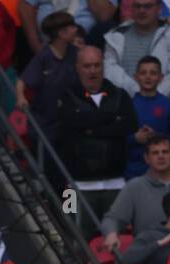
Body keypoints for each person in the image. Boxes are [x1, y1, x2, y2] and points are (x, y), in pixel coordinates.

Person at [58, 46, 139, 235]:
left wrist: (88, 128)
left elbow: (129, 126)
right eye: (87, 66)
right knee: (75, 237)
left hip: (117, 184)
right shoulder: (65, 96)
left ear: (103, 67)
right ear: (78, 68)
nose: (92, 71)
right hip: (75, 186)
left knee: (118, 239)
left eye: (96, 65)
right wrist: (110, 120)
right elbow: (70, 126)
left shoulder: (120, 95)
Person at [100, 134, 170, 246]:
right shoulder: (134, 187)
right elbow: (113, 219)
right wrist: (111, 234)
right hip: (149, 254)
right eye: (155, 153)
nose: (161, 156)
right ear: (147, 159)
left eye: (165, 152)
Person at [103, 1, 170, 98]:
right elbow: (110, 71)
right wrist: (139, 94)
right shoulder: (116, 36)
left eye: (147, 6)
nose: (142, 11)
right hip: (125, 104)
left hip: (165, 105)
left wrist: (154, 97)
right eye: (138, 6)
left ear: (159, 8)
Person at [16, 10, 80, 144]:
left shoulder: (74, 52)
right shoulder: (43, 57)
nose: (76, 29)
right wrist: (21, 97)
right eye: (72, 27)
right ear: (62, 33)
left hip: (67, 120)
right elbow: (22, 81)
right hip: (44, 122)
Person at [124, 58, 170, 178]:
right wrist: (135, 138)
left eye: (153, 73)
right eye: (143, 73)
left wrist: (156, 137)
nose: (148, 77)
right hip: (133, 172)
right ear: (136, 76)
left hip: (161, 172)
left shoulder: (168, 105)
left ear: (161, 77)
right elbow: (119, 139)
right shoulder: (127, 105)